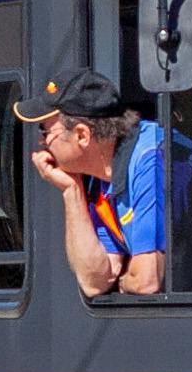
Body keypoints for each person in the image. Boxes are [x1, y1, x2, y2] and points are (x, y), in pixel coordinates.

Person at [19, 69, 166, 298]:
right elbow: (95, 282)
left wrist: (125, 282)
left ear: (82, 136)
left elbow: (147, 280)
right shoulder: (99, 183)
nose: (41, 143)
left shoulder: (150, 158)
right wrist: (71, 190)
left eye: (45, 130)